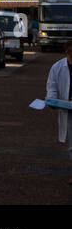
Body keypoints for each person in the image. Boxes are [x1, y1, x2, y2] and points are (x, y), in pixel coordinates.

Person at [46, 40, 72, 185]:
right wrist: (51, 100)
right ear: (66, 52)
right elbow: (52, 86)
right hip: (67, 109)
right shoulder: (57, 67)